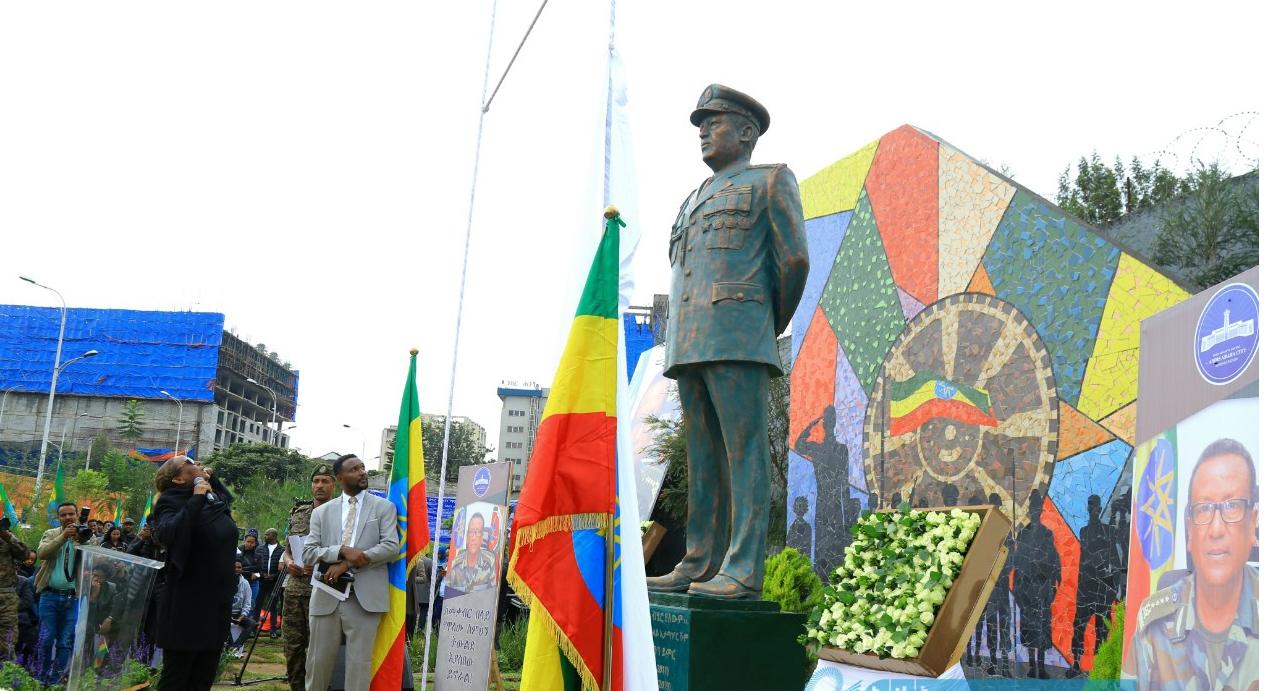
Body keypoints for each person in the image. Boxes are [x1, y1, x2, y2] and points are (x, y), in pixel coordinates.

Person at [649, 83, 809, 600]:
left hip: (738, 335)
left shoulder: (770, 181)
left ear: (745, 132)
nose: (702, 132)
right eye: (700, 124)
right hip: (690, 341)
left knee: (743, 454)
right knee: (703, 459)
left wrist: (763, 321)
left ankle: (742, 568)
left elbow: (794, 261)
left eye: (713, 123)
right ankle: (698, 561)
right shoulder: (692, 198)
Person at [1124, 438, 1259, 689]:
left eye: (1232, 506)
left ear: (1253, 523)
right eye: (1204, 509)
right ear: (1189, 530)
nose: (1216, 529)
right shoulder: (1153, 622)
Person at [303, 454, 399, 691]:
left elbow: (391, 547)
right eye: (354, 469)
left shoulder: (384, 507)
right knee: (318, 663)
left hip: (365, 598)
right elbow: (308, 553)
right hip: (327, 596)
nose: (362, 472)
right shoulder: (322, 513)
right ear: (340, 477)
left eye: (363, 468)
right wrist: (342, 551)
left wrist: (347, 564)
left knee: (359, 665)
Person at [151, 455, 238, 691]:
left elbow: (227, 503)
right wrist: (197, 496)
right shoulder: (170, 501)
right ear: (178, 479)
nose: (197, 465)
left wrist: (211, 484)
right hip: (187, 601)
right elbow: (169, 533)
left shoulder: (213, 500)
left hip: (216, 600)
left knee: (203, 676)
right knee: (178, 676)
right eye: (190, 464)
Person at [281, 464, 335, 691]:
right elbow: (287, 550)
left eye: (324, 481)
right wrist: (288, 562)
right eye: (316, 481)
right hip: (294, 589)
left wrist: (323, 565)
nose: (319, 486)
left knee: (321, 649)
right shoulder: (299, 512)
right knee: (292, 646)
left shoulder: (342, 514)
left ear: (334, 484)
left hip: (324, 590)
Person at [35, 502, 90, 684]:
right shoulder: (51, 533)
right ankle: (40, 679)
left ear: (77, 515)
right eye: (63, 515)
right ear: (58, 518)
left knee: (65, 641)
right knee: (46, 639)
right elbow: (42, 553)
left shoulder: (84, 535)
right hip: (49, 596)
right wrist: (63, 537)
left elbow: (96, 556)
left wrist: (83, 540)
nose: (68, 518)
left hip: (71, 598)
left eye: (71, 514)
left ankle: (54, 681)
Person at [1013, 492, 1059, 678]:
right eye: (1032, 507)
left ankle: (1040, 666)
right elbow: (1018, 560)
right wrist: (1017, 588)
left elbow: (1053, 559)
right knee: (1030, 628)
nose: (1035, 510)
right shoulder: (1023, 533)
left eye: (1037, 507)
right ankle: (1033, 666)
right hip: (1027, 588)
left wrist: (1054, 583)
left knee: (1041, 627)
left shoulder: (1047, 534)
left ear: (1040, 509)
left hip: (1042, 587)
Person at [1068, 494, 1115, 676]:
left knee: (1101, 629)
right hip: (1086, 587)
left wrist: (1112, 587)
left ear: (1099, 507)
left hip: (1101, 587)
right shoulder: (1084, 532)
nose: (1092, 509)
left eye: (1094, 505)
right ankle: (1076, 664)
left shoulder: (1107, 530)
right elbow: (1087, 559)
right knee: (1079, 626)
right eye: (1089, 505)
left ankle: (1098, 666)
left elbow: (1111, 558)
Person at [445, 512, 497, 593]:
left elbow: (492, 595)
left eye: (478, 532)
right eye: (471, 531)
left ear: (482, 536)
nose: (473, 537)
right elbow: (449, 594)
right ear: (467, 536)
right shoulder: (455, 563)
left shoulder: (490, 561)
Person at [0, 518, 28, 657]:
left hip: (6, 597)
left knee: (8, 642)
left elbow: (25, 555)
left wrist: (8, 536)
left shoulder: (6, 538)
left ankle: (6, 676)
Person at [255, 527, 285, 638]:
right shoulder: (260, 548)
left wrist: (274, 576)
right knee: (258, 604)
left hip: (274, 582)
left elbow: (283, 567)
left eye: (267, 534)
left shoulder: (281, 550)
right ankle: (254, 628)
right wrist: (262, 574)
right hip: (262, 581)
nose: (265, 536)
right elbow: (257, 563)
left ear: (274, 535)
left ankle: (273, 630)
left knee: (273, 606)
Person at [228, 559, 256, 656]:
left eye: (239, 567)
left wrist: (243, 615)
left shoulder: (245, 583)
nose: (237, 569)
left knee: (252, 624)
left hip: (238, 614)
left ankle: (237, 645)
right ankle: (229, 645)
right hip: (225, 614)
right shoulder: (224, 581)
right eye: (234, 567)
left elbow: (248, 603)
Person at [240, 530, 262, 611]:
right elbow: (237, 569)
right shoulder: (238, 552)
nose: (249, 544)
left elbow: (262, 572)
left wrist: (256, 575)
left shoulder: (258, 555)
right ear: (244, 541)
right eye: (248, 541)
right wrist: (250, 573)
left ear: (255, 543)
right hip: (239, 582)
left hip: (253, 583)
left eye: (252, 542)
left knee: (251, 604)